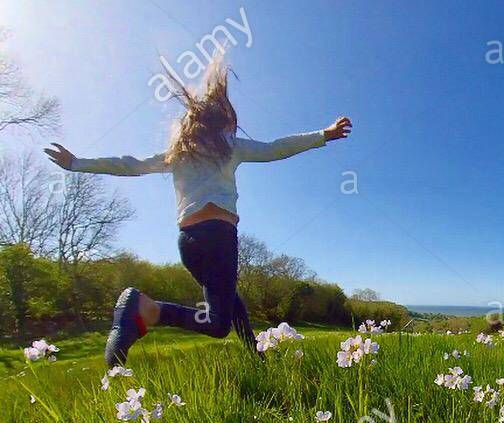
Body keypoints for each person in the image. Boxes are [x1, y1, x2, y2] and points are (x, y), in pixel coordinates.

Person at [44, 59, 351, 365]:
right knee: (218, 324)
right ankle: (147, 308)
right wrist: (323, 134)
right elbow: (275, 148)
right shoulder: (230, 145)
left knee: (230, 300)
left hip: (188, 241)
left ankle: (257, 356)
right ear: (223, 122)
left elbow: (129, 165)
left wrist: (77, 163)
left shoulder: (178, 153)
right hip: (219, 236)